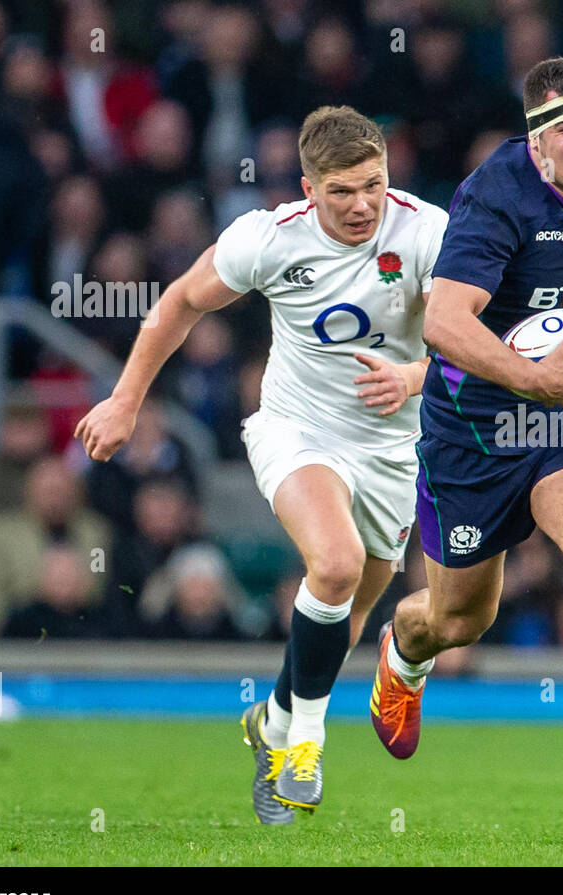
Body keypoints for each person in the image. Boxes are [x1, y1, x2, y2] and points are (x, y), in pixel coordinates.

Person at [75, 106, 448, 824]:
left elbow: (472, 339)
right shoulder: (267, 239)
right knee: (333, 565)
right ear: (308, 188)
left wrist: (413, 376)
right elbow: (181, 300)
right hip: (297, 429)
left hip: (394, 449)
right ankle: (303, 744)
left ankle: (271, 723)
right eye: (341, 191)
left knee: (343, 622)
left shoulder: (426, 230)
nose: (362, 203)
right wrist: (125, 401)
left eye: (372, 184)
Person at [372, 57, 563, 827]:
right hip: (472, 430)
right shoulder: (495, 199)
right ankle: (403, 653)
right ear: (535, 141)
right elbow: (443, 325)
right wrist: (529, 377)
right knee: (460, 621)